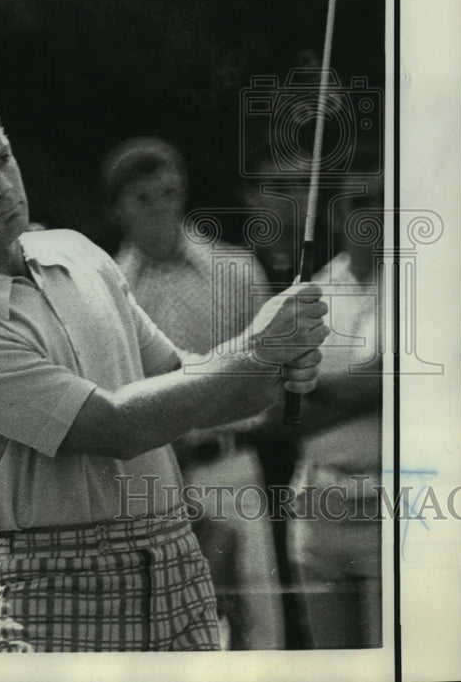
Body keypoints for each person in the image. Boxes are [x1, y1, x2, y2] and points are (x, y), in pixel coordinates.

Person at [0, 85, 329, 653]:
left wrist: (278, 367)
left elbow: (185, 377)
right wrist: (260, 350)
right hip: (59, 593)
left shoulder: (77, 252)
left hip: (176, 565)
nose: (1, 186)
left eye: (2, 157)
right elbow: (119, 427)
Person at [100, 137, 282, 649]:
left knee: (257, 622)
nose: (161, 207)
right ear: (117, 209)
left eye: (168, 192)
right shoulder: (108, 290)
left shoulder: (237, 270)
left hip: (230, 466)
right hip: (152, 477)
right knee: (167, 628)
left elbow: (271, 375)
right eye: (143, 198)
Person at [285, 163, 384, 648]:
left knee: (390, 664)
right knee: (333, 666)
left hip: (388, 506)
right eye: (358, 203)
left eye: (382, 201)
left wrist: (306, 380)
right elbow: (286, 405)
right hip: (319, 504)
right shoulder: (316, 288)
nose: (371, 214)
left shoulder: (419, 285)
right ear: (338, 214)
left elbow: (389, 380)